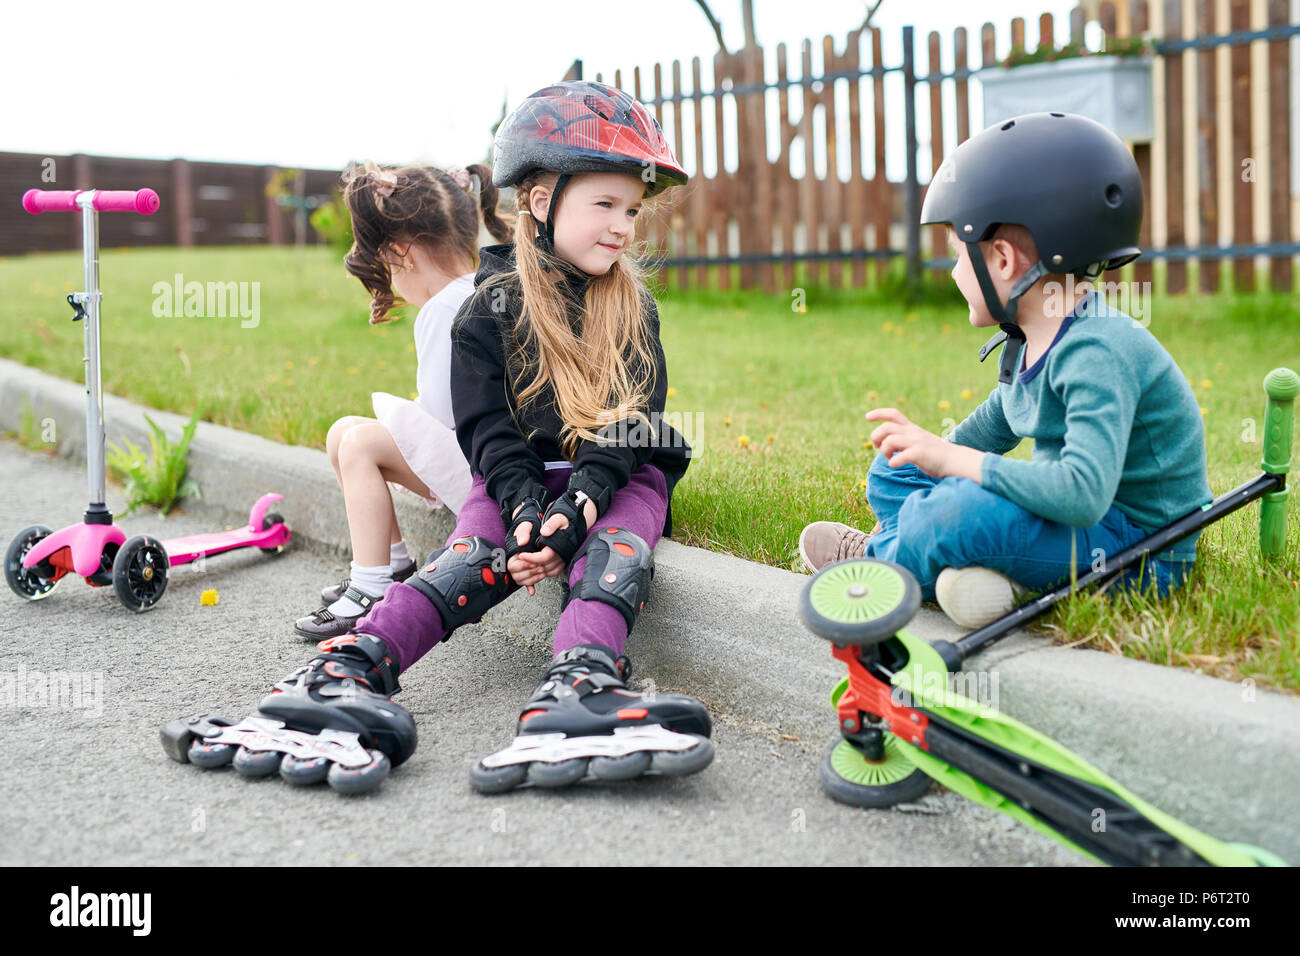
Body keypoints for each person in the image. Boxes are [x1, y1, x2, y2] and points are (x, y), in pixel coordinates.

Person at [277, 81, 713, 791]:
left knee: (617, 556)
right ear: (542, 201)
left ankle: (579, 683)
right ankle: (348, 667)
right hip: (517, 477)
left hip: (619, 474)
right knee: (470, 559)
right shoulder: (487, 309)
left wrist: (578, 511)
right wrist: (522, 513)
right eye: (604, 204)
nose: (624, 226)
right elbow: (486, 430)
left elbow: (627, 421)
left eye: (631, 209)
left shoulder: (634, 306)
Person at [800, 112, 1211, 629]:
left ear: (1001, 260)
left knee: (955, 507)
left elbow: (1081, 493)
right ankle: (948, 564)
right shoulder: (1030, 341)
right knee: (895, 470)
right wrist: (929, 449)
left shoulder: (1097, 352)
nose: (952, 273)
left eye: (957, 255)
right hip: (1080, 526)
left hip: (1138, 552)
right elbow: (985, 433)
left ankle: (885, 565)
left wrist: (952, 463)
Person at [295, 161, 511, 640]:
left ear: (403, 254)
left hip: (481, 468)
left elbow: (443, 413)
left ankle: (371, 586)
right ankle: (391, 565)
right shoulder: (484, 288)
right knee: (345, 432)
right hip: (495, 457)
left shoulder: (443, 309)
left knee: (357, 444)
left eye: (388, 267)